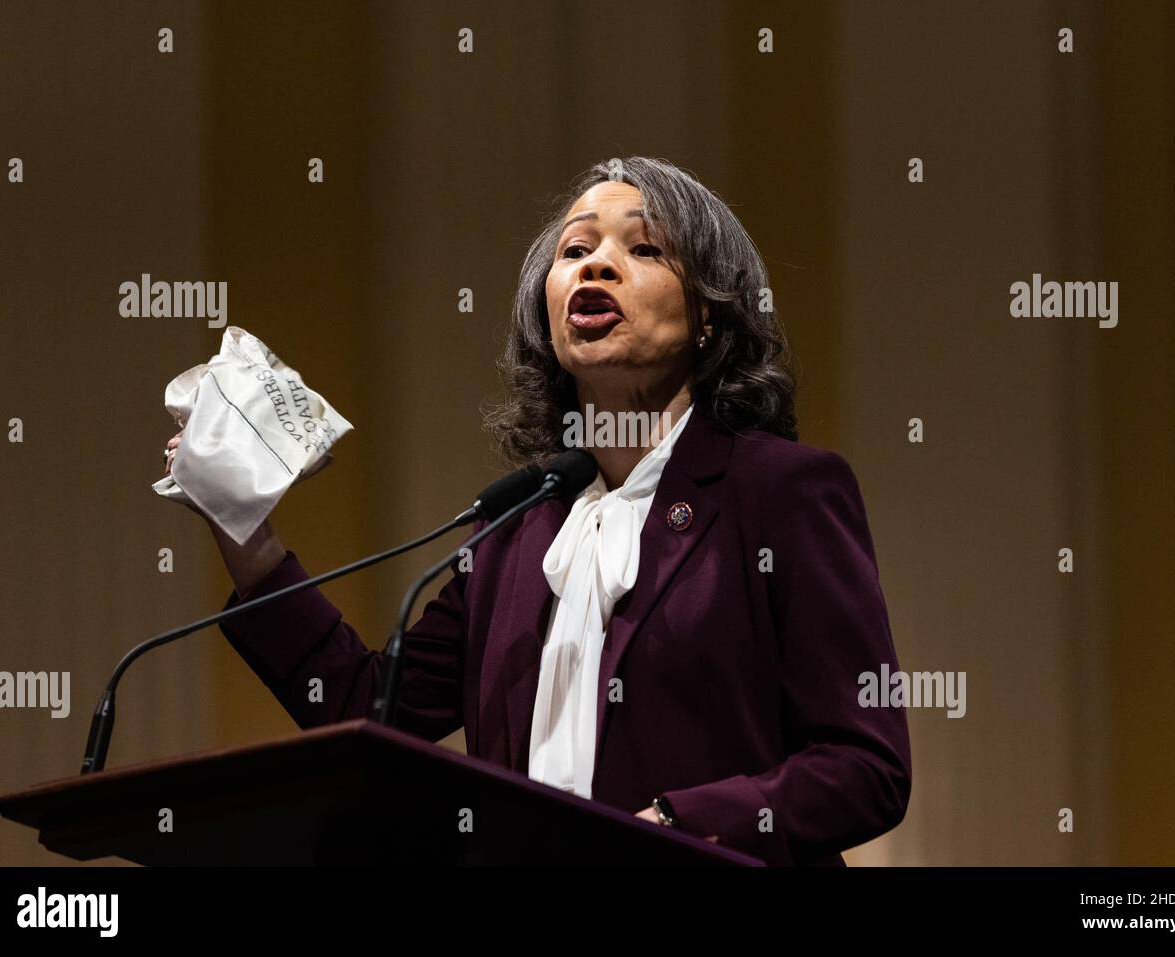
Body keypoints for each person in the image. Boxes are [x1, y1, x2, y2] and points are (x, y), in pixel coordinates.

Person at [162, 157, 910, 866]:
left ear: (710, 315)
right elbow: (365, 710)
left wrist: (673, 828)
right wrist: (246, 531)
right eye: (575, 249)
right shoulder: (517, 532)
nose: (596, 263)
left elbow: (865, 764)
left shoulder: (780, 493)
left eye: (644, 247)